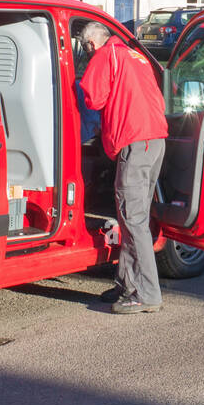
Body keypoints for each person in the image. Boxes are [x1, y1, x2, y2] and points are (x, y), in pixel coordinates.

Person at [79, 21, 168, 314]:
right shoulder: (134, 54)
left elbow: (93, 97)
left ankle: (147, 295)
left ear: (91, 44)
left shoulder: (105, 56)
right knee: (132, 217)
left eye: (85, 48)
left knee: (133, 220)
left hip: (135, 141)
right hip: (155, 141)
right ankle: (127, 284)